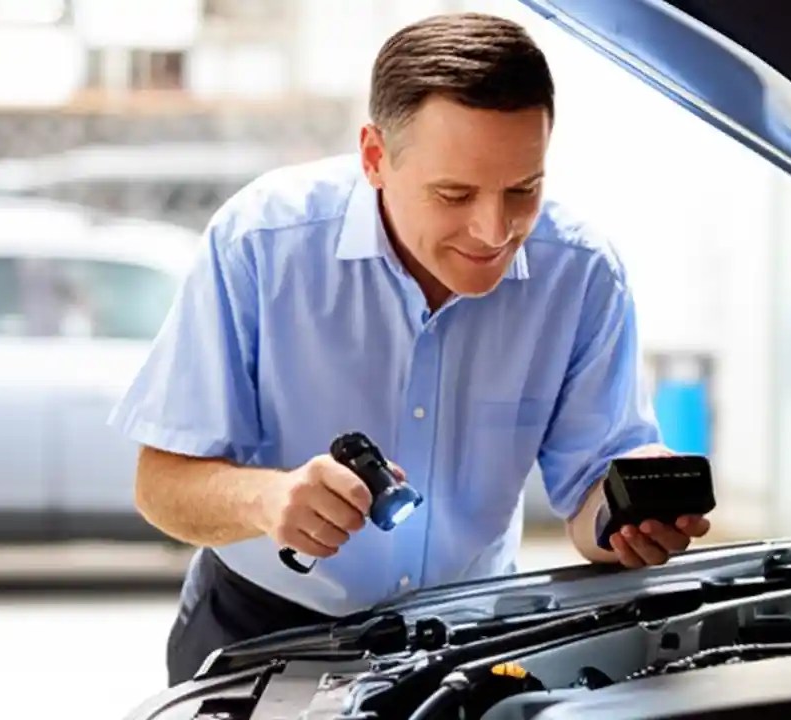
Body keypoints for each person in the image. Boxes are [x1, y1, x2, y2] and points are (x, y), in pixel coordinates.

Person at [108, 11, 712, 686]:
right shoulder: (259, 244)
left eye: (524, 190)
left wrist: (625, 521)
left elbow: (588, 507)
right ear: (374, 157)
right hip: (263, 628)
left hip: (469, 642)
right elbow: (159, 484)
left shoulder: (582, 274)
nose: (494, 230)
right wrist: (268, 500)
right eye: (454, 194)